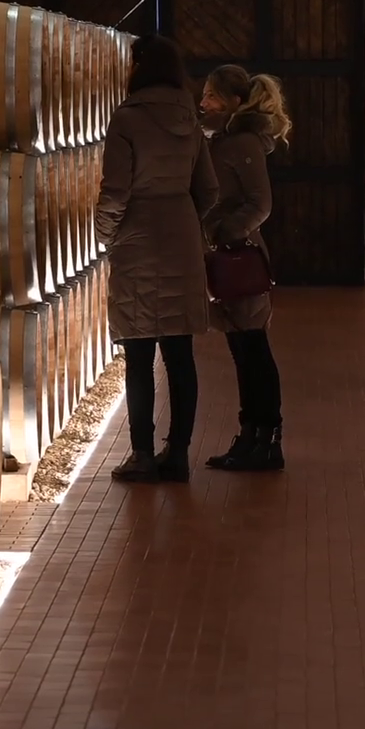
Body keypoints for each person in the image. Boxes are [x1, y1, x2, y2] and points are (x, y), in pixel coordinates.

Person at [96, 35, 219, 483]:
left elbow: (115, 190)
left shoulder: (127, 118)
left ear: (139, 67)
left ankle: (143, 455)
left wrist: (105, 236)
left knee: (138, 352)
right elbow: (209, 190)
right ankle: (179, 453)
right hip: (181, 237)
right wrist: (185, 219)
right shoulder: (190, 116)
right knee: (180, 353)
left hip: (137, 239)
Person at [198, 64, 290, 472]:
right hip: (226, 254)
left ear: (235, 102)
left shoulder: (244, 143)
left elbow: (260, 203)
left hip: (242, 256)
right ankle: (251, 435)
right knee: (242, 350)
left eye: (212, 97)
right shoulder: (223, 140)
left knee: (254, 350)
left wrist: (223, 231)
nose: (204, 103)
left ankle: (267, 439)